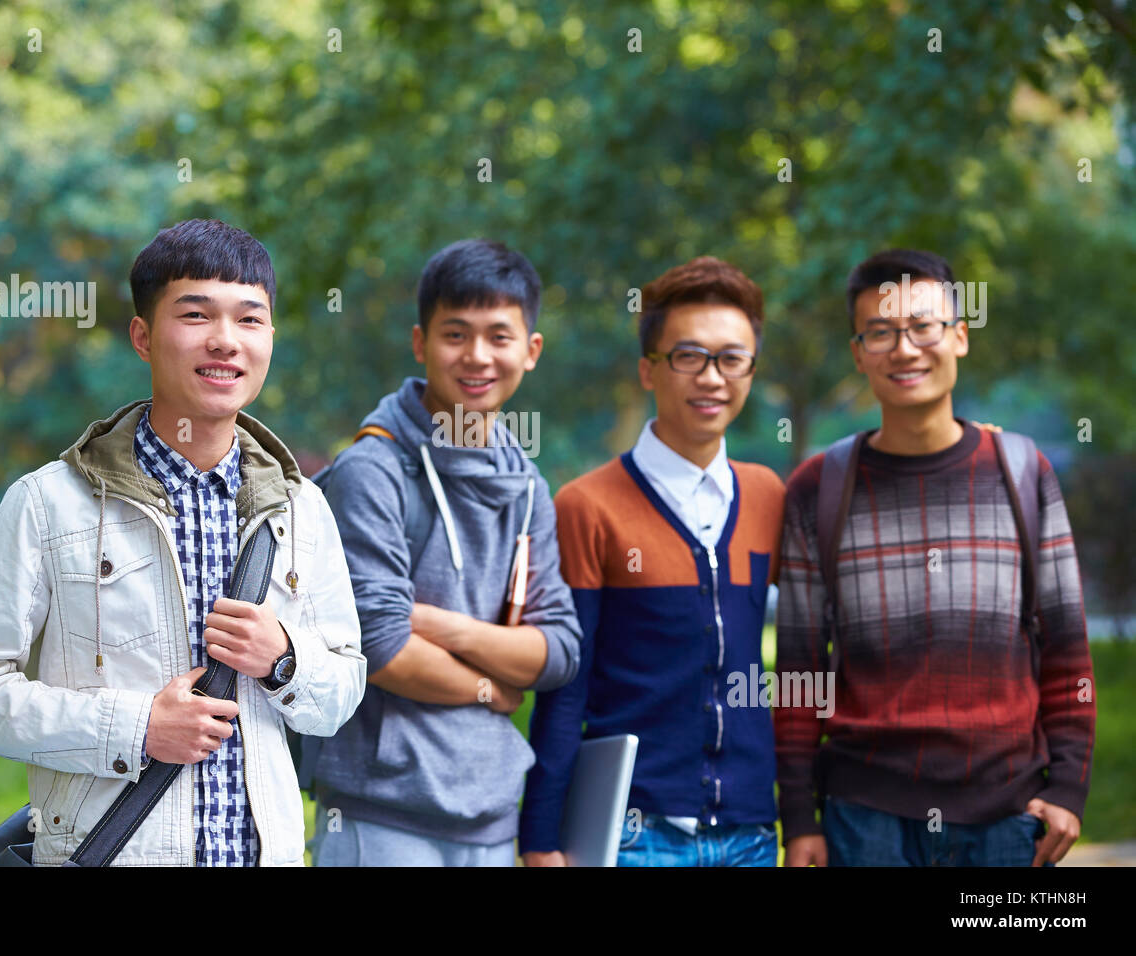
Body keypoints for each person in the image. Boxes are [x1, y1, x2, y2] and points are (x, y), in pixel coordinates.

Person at [0, 218, 366, 866]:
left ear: (270, 337)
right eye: (196, 315)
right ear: (143, 335)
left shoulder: (303, 508)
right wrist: (136, 728)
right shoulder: (50, 502)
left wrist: (285, 660)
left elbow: (342, 690)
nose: (225, 341)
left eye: (250, 320)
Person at [776, 248, 1096, 867]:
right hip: (862, 820)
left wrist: (1068, 787)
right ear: (858, 352)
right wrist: (798, 817)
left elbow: (1066, 651)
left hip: (1006, 819)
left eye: (923, 327)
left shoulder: (1025, 474)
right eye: (881, 332)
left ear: (959, 337)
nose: (905, 349)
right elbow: (798, 672)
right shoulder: (820, 488)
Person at [309, 238, 581, 866]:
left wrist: (433, 622)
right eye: (456, 334)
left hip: (490, 817)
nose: (478, 356)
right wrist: (495, 688)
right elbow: (379, 646)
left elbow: (560, 649)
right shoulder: (373, 471)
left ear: (531, 350)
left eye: (499, 336)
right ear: (420, 343)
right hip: (381, 815)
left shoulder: (526, 482)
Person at [521, 256, 785, 867]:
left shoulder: (770, 497)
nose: (712, 377)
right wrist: (540, 838)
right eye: (688, 356)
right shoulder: (587, 504)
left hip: (751, 833)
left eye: (732, 358)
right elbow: (567, 684)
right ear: (649, 369)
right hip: (634, 833)